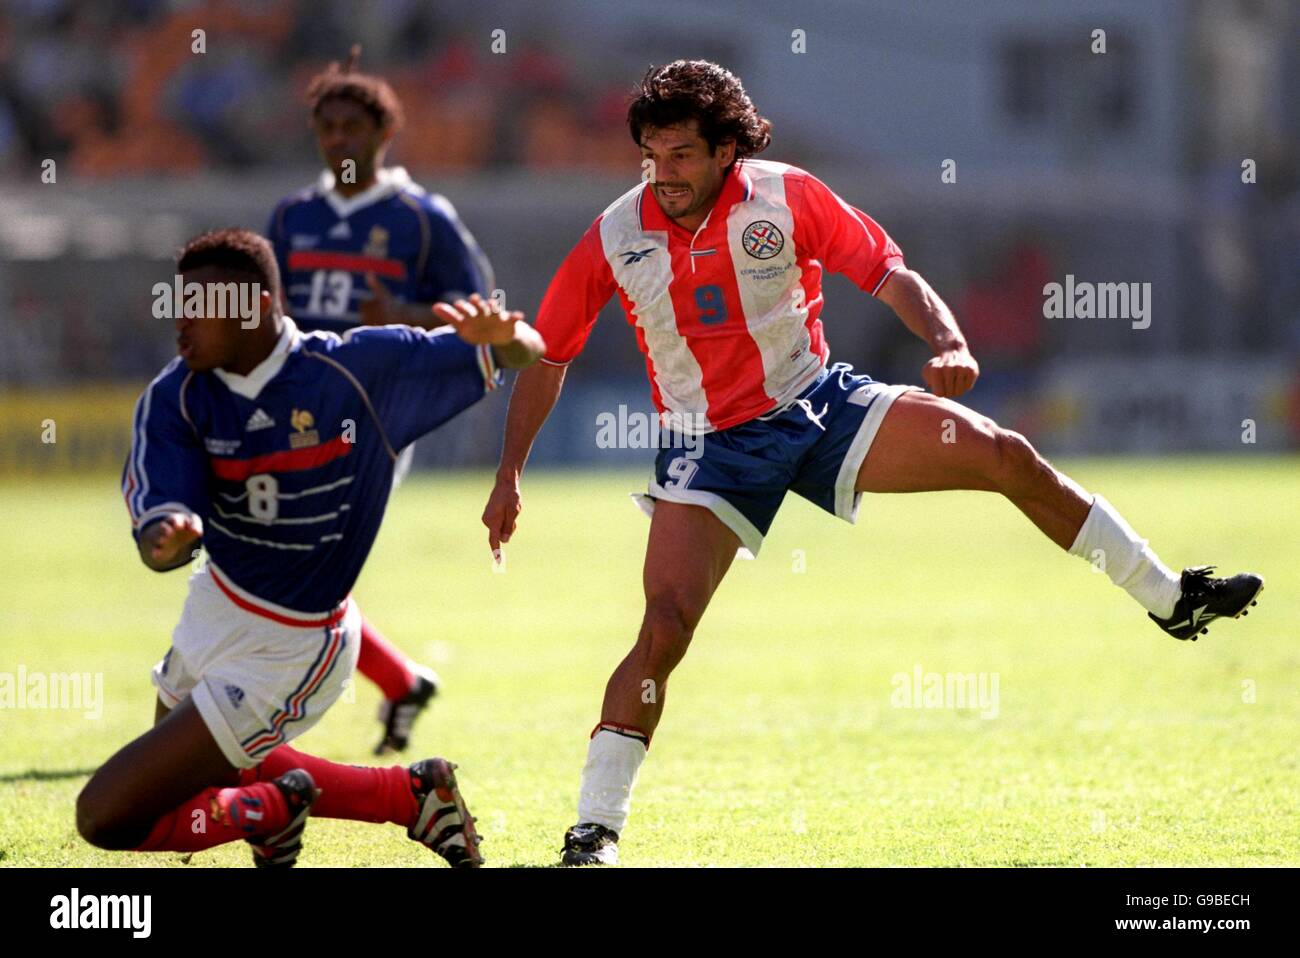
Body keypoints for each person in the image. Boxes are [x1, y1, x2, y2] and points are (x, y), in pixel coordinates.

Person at [479, 61, 1265, 866]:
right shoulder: (617, 233)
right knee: (665, 630)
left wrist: (949, 341)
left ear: (726, 151)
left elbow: (890, 275)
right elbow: (550, 355)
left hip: (818, 407)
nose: (663, 174)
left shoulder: (786, 197)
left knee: (1004, 454)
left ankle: (1169, 596)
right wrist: (510, 475)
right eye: (651, 155)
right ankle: (593, 832)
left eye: (680, 154)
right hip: (705, 445)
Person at [83, 228, 542, 867]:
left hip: (296, 641)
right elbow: (161, 526)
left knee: (106, 816)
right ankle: (410, 796)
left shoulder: (358, 372)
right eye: (177, 307)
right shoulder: (179, 394)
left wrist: (509, 339)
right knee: (190, 777)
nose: (179, 325)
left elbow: (527, 351)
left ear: (259, 309)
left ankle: (273, 809)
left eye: (198, 309)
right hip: (215, 603)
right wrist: (166, 542)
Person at [267, 49, 496, 753]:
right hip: (295, 404)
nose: (338, 139)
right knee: (284, 560)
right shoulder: (292, 217)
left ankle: (256, 721)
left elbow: (483, 311)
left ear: (382, 134)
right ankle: (399, 680)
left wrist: (401, 309)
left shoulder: (420, 217)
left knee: (300, 561)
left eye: (351, 127)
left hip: (377, 409)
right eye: (326, 127)